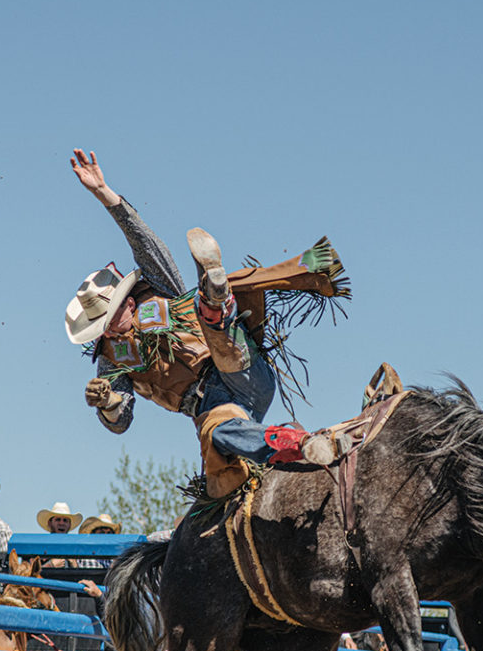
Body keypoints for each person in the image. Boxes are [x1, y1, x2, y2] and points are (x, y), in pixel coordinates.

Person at [65, 149, 351, 498]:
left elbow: (144, 242)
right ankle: (295, 442)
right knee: (217, 435)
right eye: (101, 328)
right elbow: (121, 421)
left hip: (238, 370)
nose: (108, 331)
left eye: (110, 320)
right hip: (212, 406)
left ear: (127, 301)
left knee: (210, 330)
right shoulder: (111, 360)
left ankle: (215, 301)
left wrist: (103, 193)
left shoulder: (159, 289)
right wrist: (108, 402)